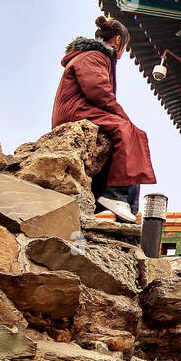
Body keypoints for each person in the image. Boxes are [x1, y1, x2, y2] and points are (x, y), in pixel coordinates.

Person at [52, 15, 156, 223]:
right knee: (128, 130)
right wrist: (121, 115)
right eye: (125, 47)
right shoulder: (94, 56)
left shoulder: (93, 55)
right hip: (77, 109)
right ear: (118, 41)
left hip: (80, 108)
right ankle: (116, 196)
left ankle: (121, 203)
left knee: (128, 135)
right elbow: (98, 91)